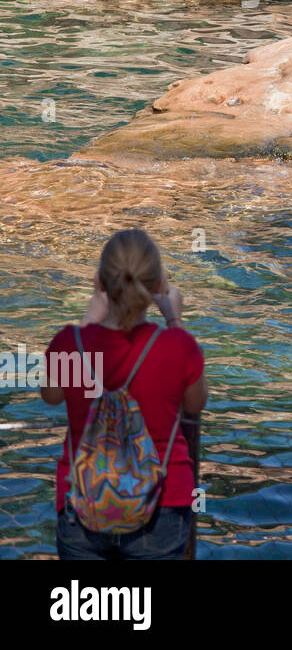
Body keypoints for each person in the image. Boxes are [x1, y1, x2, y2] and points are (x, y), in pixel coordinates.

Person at [42, 228, 207, 560]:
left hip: (83, 503)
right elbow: (195, 403)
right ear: (159, 286)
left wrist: (88, 320)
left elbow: (51, 395)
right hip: (162, 505)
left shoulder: (69, 344)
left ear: (98, 284)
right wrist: (174, 318)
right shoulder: (178, 346)